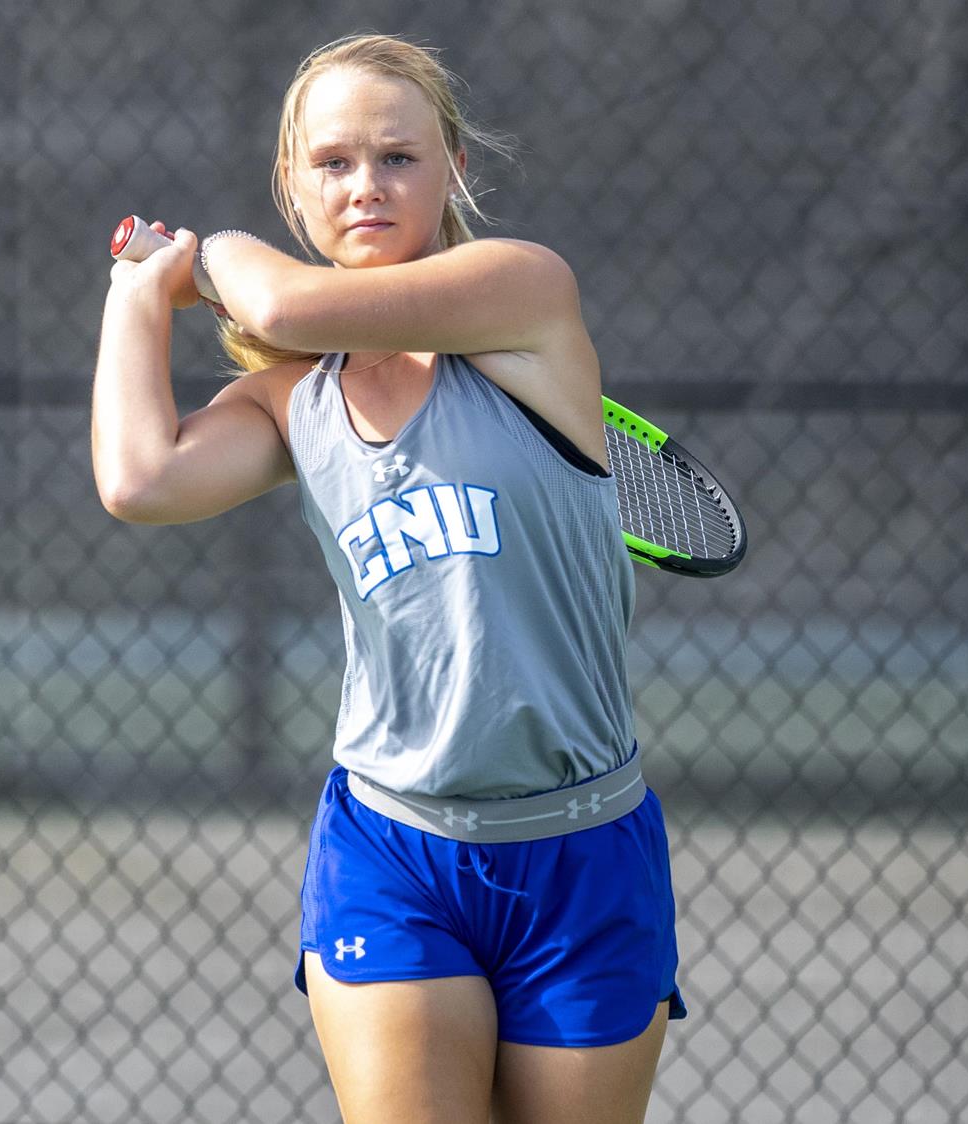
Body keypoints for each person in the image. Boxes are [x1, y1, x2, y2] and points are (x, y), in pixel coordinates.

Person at [91, 33, 685, 1124]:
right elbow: (139, 478)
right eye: (331, 163)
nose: (364, 185)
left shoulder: (523, 298)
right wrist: (137, 288)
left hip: (584, 847)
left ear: (451, 166)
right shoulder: (290, 404)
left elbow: (273, 307)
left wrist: (208, 249)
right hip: (393, 847)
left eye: (397, 157)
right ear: (294, 184)